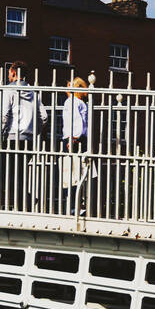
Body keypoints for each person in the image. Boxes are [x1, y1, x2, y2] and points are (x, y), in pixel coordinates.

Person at [0, 62, 48, 211]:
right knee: (21, 173)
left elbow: (4, 115)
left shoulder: (9, 89)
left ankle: (26, 201)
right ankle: (24, 203)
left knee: (6, 174)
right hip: (28, 139)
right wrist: (33, 130)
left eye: (9, 74)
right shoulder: (33, 91)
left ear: (13, 73)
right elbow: (44, 117)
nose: (8, 77)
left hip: (12, 137)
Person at [61, 77, 89, 215]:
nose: (67, 90)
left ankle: (72, 206)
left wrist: (73, 137)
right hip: (82, 140)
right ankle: (79, 204)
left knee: (70, 175)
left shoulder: (71, 101)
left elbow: (76, 121)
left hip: (72, 139)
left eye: (69, 86)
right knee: (80, 174)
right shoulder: (82, 103)